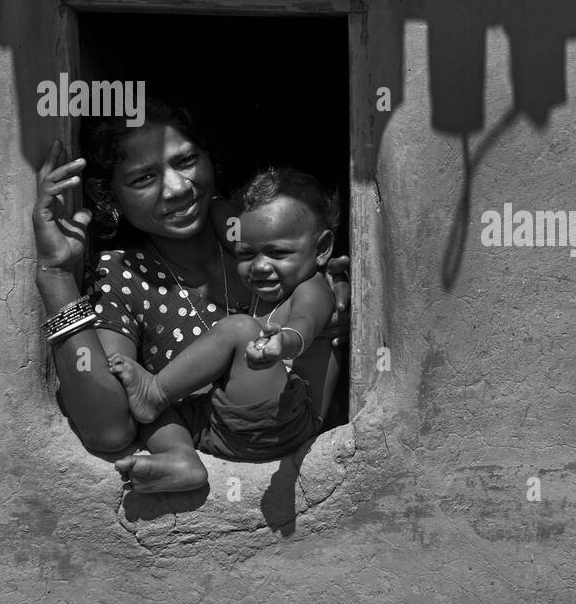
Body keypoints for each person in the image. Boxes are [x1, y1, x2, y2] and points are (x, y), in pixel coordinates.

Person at [31, 99, 350, 492]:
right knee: (140, 389)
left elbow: (315, 279)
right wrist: (56, 275)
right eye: (143, 179)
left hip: (292, 426)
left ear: (210, 161)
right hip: (210, 433)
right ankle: (180, 456)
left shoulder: (259, 239)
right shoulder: (121, 274)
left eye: (185, 161)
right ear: (108, 198)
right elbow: (108, 430)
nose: (178, 188)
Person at [105, 167, 337, 464]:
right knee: (156, 410)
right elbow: (222, 213)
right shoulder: (269, 286)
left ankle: (156, 391)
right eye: (246, 254)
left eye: (278, 253)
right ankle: (179, 457)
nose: (261, 266)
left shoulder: (313, 287)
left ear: (322, 249)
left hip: (289, 423)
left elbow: (305, 323)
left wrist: (284, 343)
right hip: (231, 423)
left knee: (239, 328)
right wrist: (207, 196)